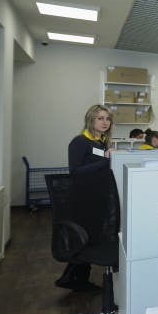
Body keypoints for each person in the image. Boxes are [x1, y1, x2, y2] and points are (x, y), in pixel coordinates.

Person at [57, 104, 120, 292]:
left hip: (97, 197)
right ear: (90, 120)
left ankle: (72, 278)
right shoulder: (80, 141)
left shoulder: (100, 142)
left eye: (107, 118)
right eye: (100, 118)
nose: (105, 122)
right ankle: (75, 280)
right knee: (85, 240)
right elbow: (75, 172)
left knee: (89, 239)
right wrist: (106, 161)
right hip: (83, 199)